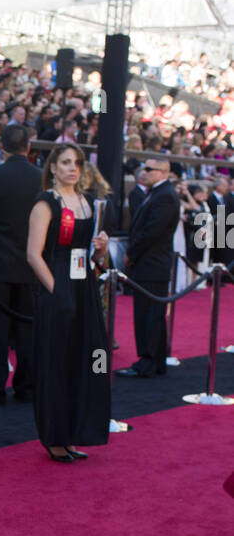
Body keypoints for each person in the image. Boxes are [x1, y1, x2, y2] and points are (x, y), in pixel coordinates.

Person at [26, 143, 110, 461]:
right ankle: (54, 436)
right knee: (56, 362)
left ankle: (74, 432)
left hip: (84, 284)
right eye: (65, 162)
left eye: (77, 162)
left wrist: (100, 248)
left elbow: (90, 253)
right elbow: (33, 254)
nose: (72, 168)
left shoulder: (87, 202)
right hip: (56, 285)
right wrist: (55, 290)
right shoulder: (46, 203)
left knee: (82, 360)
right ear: (53, 168)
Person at [0, 123, 42, 404]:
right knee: (28, 330)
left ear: (0, 146)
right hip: (32, 266)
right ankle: (25, 387)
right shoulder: (42, 179)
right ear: (28, 147)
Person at [115, 157, 180, 378]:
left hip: (151, 264)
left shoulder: (165, 196)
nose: (144, 172)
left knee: (149, 315)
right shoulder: (159, 194)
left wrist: (131, 254)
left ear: (163, 173)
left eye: (149, 169)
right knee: (151, 314)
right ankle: (154, 361)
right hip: (151, 264)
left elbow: (152, 231)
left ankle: (149, 361)